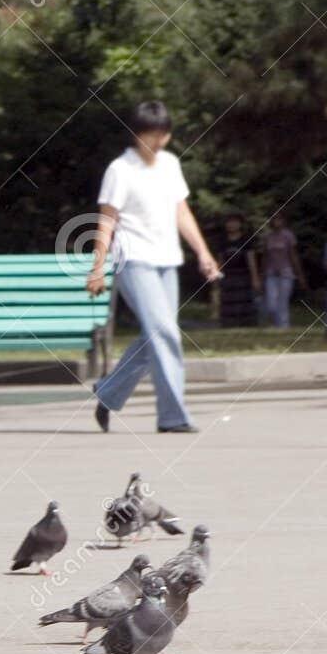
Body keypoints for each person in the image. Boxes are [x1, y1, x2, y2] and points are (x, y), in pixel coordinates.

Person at [85, 101, 221, 435]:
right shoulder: (120, 169)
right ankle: (173, 417)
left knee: (157, 336)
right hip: (133, 260)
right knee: (165, 333)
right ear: (136, 134)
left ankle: (109, 391)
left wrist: (203, 252)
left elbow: (182, 212)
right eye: (151, 134)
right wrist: (98, 267)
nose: (158, 141)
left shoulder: (170, 164)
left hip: (167, 260)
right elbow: (106, 221)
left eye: (163, 134)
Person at [212, 212, 260, 328]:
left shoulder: (246, 240)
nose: (231, 225)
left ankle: (247, 324)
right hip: (228, 276)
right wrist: (216, 276)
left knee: (245, 302)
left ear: (240, 224)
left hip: (243, 276)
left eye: (234, 222)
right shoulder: (222, 241)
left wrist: (255, 278)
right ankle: (228, 324)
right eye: (229, 222)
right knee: (228, 302)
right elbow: (220, 261)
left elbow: (251, 260)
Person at [261, 213, 306, 328]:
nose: (277, 222)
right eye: (274, 219)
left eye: (279, 219)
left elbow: (293, 255)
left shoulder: (288, 236)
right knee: (271, 302)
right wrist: (262, 273)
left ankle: (284, 326)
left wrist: (299, 274)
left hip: (286, 273)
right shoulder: (268, 237)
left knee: (283, 301)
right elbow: (265, 256)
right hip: (271, 273)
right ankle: (274, 322)